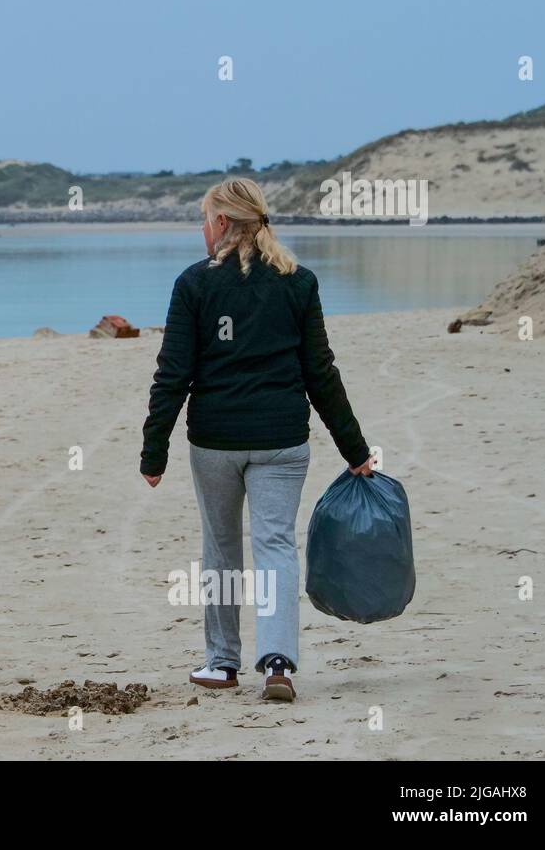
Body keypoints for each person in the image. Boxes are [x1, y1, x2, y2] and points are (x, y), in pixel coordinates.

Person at [140, 177, 373, 703]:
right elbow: (321, 373)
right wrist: (355, 451)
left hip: (216, 441)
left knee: (222, 549)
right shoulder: (299, 282)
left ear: (222, 223)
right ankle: (277, 664)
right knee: (276, 547)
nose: (203, 230)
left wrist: (154, 451)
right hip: (282, 440)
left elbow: (172, 373)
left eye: (205, 220)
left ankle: (222, 665)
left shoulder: (194, 284)